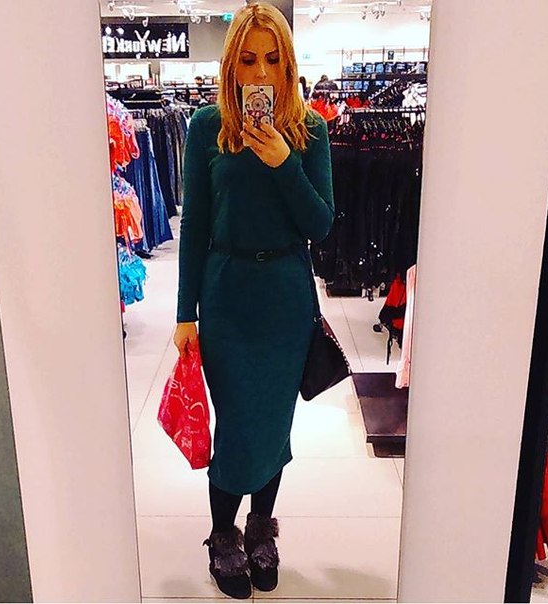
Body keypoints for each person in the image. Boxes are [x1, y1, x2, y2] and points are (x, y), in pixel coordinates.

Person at [173, 2, 334, 600]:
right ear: (231, 65)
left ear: (287, 64)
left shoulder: (309, 129)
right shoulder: (205, 127)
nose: (260, 72)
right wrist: (185, 312)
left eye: (271, 59)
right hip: (227, 297)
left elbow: (320, 224)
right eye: (247, 59)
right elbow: (194, 226)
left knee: (274, 423)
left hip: (286, 300)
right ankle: (223, 535)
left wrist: (285, 163)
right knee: (238, 425)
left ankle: (261, 528)